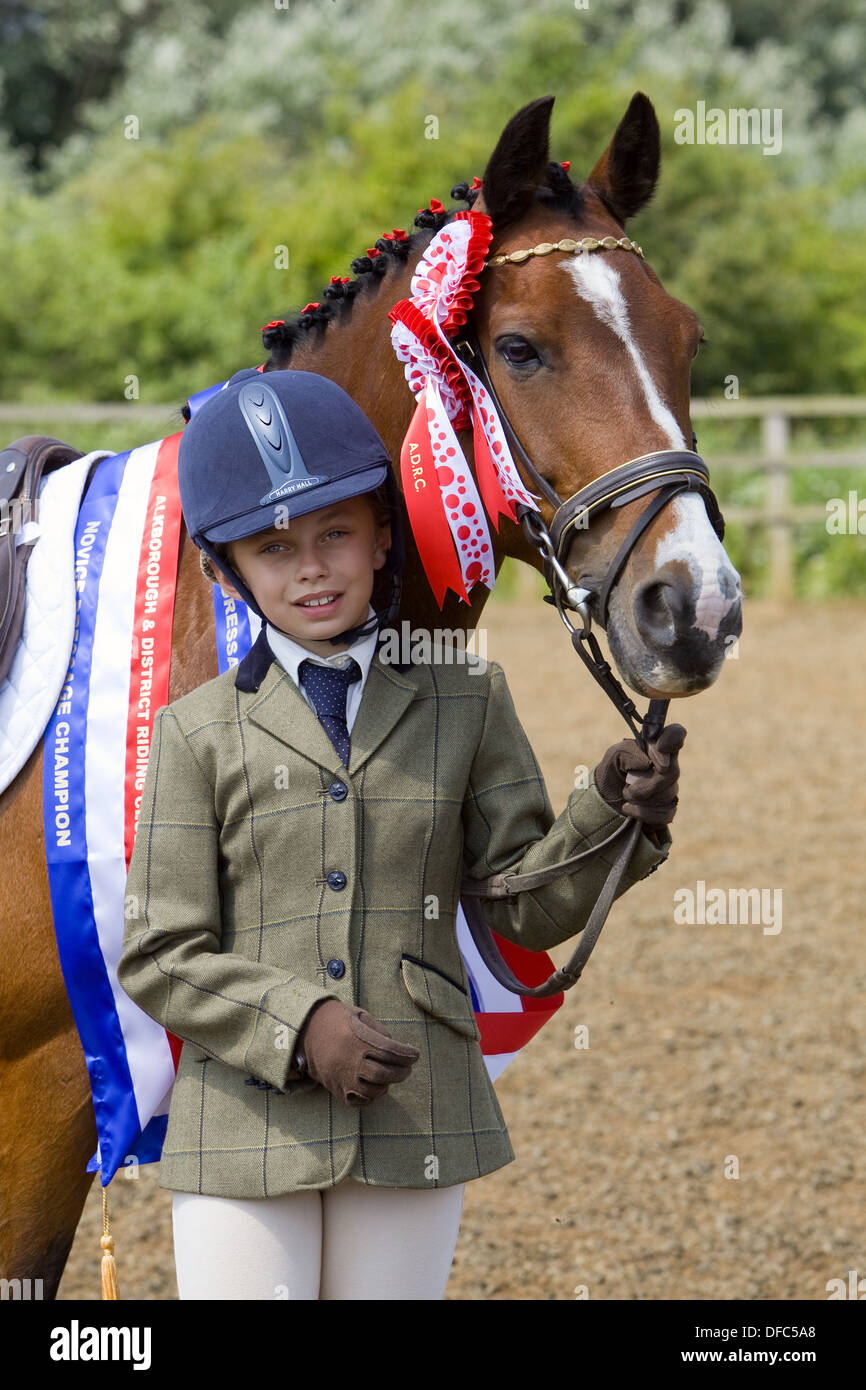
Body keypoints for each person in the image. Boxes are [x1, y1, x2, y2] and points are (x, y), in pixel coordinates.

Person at [118, 368, 684, 1301]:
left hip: (417, 1104)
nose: (310, 567)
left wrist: (611, 814)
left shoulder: (467, 697)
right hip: (245, 1116)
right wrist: (300, 1027)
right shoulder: (193, 731)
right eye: (273, 548)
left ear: (382, 536)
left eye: (335, 533)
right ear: (228, 572)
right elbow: (159, 951)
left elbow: (527, 905)